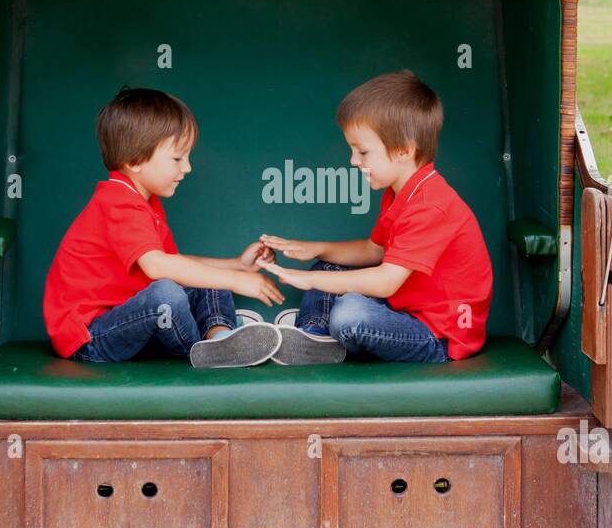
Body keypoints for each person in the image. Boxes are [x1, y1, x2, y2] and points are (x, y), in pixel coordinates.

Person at [257, 70, 493, 366]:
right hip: (403, 311)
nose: (354, 161)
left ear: (404, 150)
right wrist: (315, 248)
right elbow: (374, 250)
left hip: (438, 337)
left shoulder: (430, 205)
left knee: (350, 312)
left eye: (363, 151)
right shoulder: (399, 191)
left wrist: (308, 279)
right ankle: (312, 336)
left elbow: (385, 282)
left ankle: (325, 333)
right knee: (330, 268)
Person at [43, 87, 283, 367]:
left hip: (126, 319)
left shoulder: (146, 201)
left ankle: (221, 337)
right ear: (134, 160)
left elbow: (174, 263)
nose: (188, 168)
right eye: (177, 158)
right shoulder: (118, 202)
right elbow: (157, 267)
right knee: (167, 293)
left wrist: (236, 266)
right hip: (92, 337)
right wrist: (237, 280)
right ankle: (201, 350)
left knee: (207, 277)